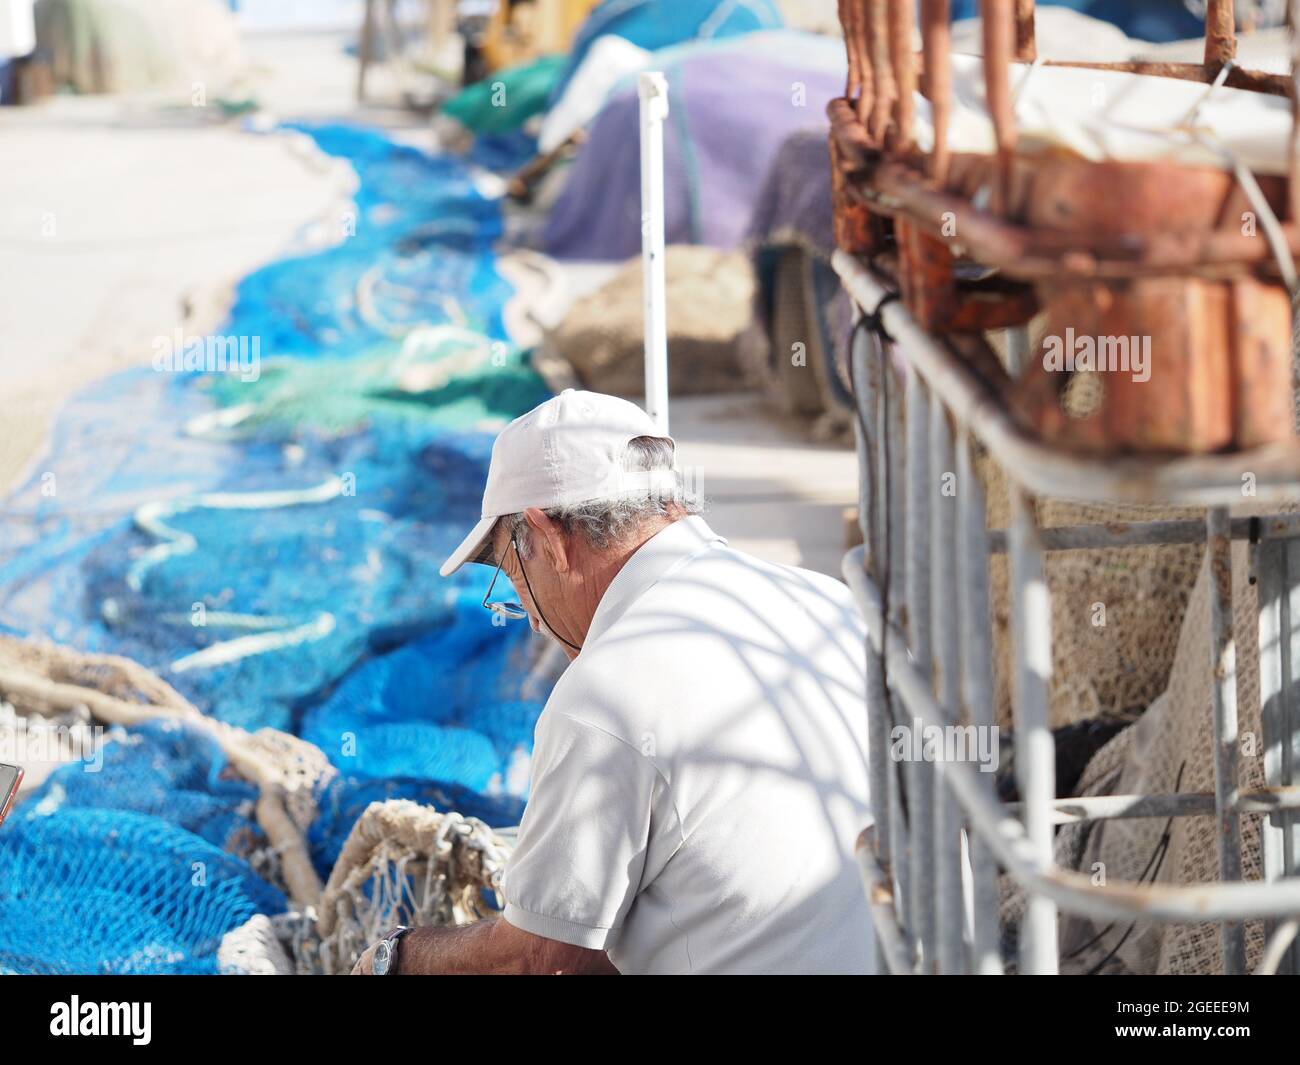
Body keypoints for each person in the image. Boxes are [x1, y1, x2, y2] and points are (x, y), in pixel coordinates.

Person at [351, 389, 874, 974]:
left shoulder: (604, 695)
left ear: (546, 535)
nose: (524, 608)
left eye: (511, 575)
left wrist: (395, 959)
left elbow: (542, 965)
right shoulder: (832, 602)